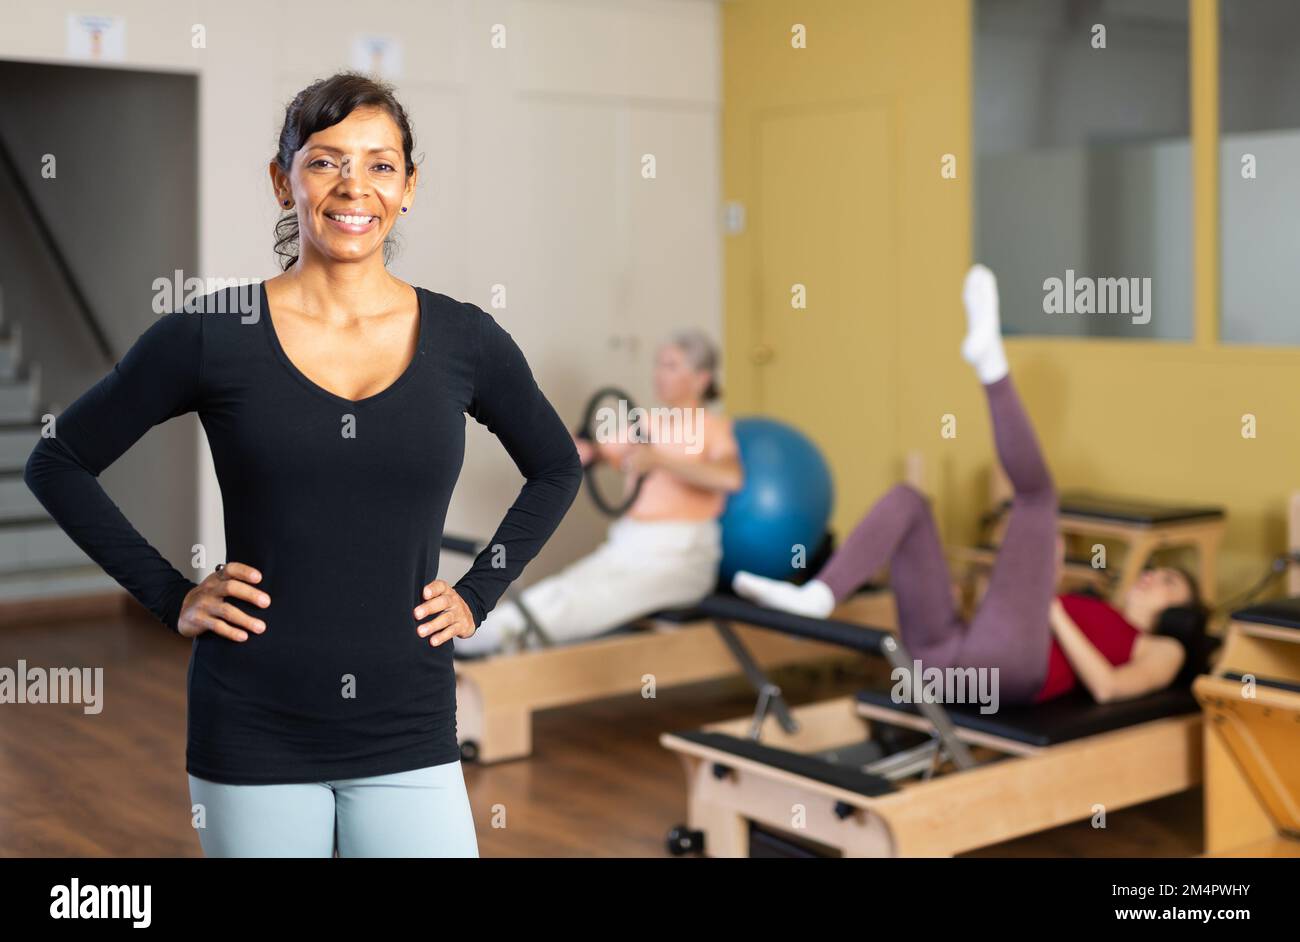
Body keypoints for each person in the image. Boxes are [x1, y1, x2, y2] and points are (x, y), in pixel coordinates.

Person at [23, 71, 583, 856]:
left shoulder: (466, 340)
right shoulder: (214, 332)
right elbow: (59, 461)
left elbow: (557, 465)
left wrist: (478, 593)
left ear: (410, 186)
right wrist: (168, 595)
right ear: (282, 179)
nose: (354, 186)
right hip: (253, 723)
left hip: (410, 723)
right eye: (324, 161)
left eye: (381, 164)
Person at [733, 264, 1211, 706]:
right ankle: (818, 596)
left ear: (1182, 614)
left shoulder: (1160, 647)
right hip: (946, 664)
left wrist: (1051, 607)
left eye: (1170, 582)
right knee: (910, 502)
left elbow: (1108, 689)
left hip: (1006, 673)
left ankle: (993, 370)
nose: (1153, 576)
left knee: (1038, 499)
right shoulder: (1099, 609)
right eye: (1159, 571)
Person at [454, 329, 744, 657]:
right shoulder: (645, 423)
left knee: (589, 602)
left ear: (701, 378)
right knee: (563, 589)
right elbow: (593, 453)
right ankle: (477, 632)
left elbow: (730, 477)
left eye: (671, 366)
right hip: (630, 545)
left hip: (681, 556)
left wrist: (660, 460)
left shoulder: (713, 427)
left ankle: (489, 638)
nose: (658, 374)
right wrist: (576, 450)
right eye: (658, 364)